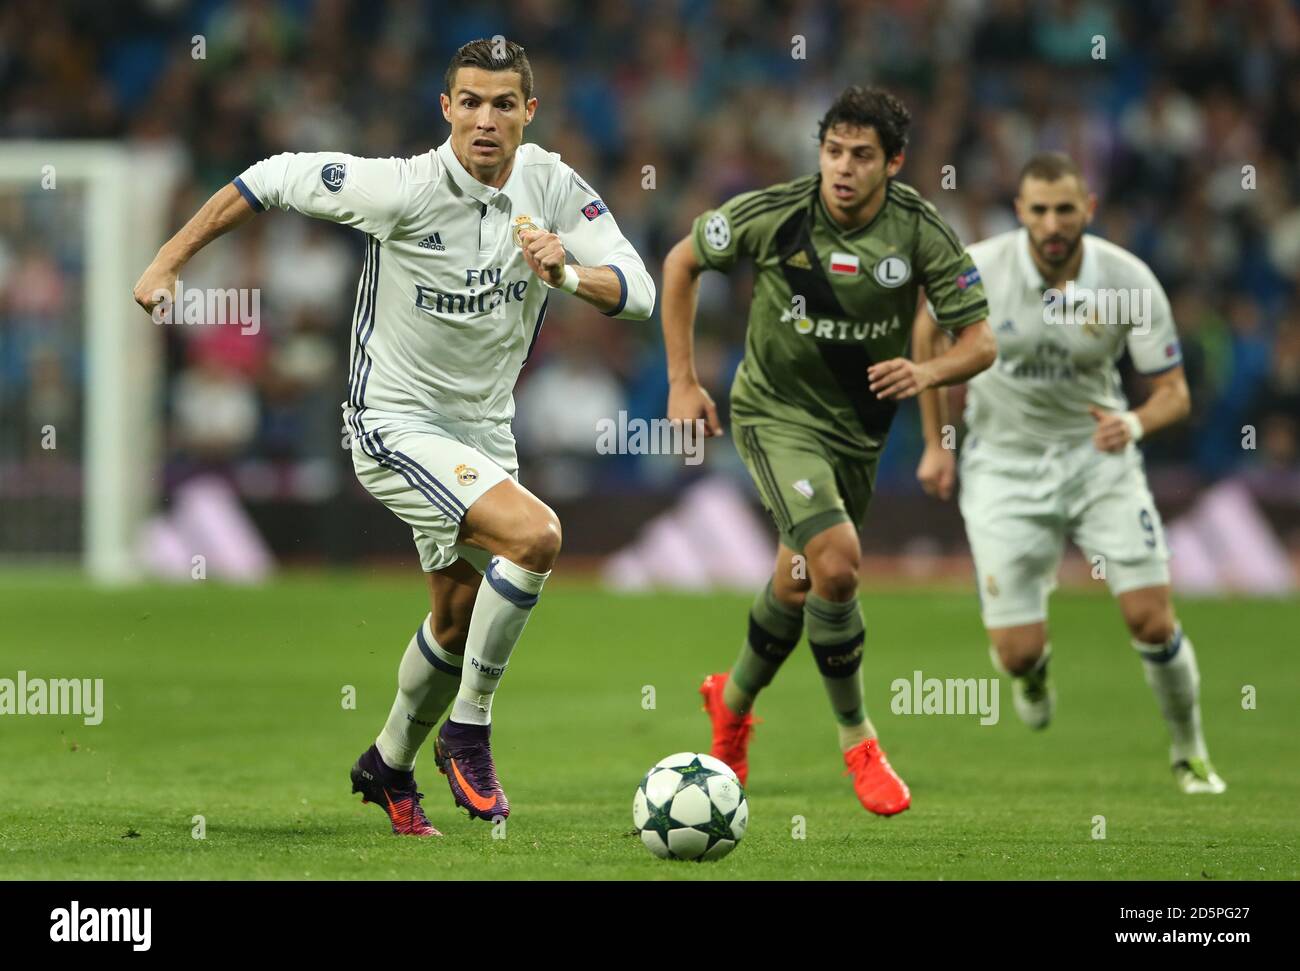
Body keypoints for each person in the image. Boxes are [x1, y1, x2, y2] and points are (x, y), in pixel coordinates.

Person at [133, 38, 655, 835]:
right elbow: (269, 177)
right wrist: (168, 261)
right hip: (392, 424)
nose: (485, 120)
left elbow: (642, 292)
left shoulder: (550, 185)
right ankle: (470, 729)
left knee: (456, 618)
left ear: (529, 112)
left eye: (502, 104)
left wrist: (571, 275)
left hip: (484, 433)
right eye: (470, 102)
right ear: (445, 108)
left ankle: (387, 763)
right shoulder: (398, 188)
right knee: (537, 536)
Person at [660, 86, 995, 815]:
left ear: (894, 163)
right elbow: (681, 262)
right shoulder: (776, 212)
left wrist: (929, 375)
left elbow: (980, 339)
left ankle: (733, 700)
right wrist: (684, 382)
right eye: (833, 151)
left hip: (859, 434)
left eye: (862, 156)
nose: (843, 168)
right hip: (773, 414)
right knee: (837, 565)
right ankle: (859, 742)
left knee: (798, 581)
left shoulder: (919, 232)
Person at [914, 152, 1225, 794]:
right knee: (1017, 652)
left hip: (1099, 462)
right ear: (1020, 212)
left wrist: (1134, 424)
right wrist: (938, 444)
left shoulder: (1127, 279)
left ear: (1089, 208)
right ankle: (1032, 673)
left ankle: (1191, 752)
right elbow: (927, 333)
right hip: (1002, 468)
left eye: (1064, 209)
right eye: (1038, 210)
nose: (1052, 223)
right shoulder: (980, 268)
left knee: (1151, 619)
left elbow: (1174, 392)